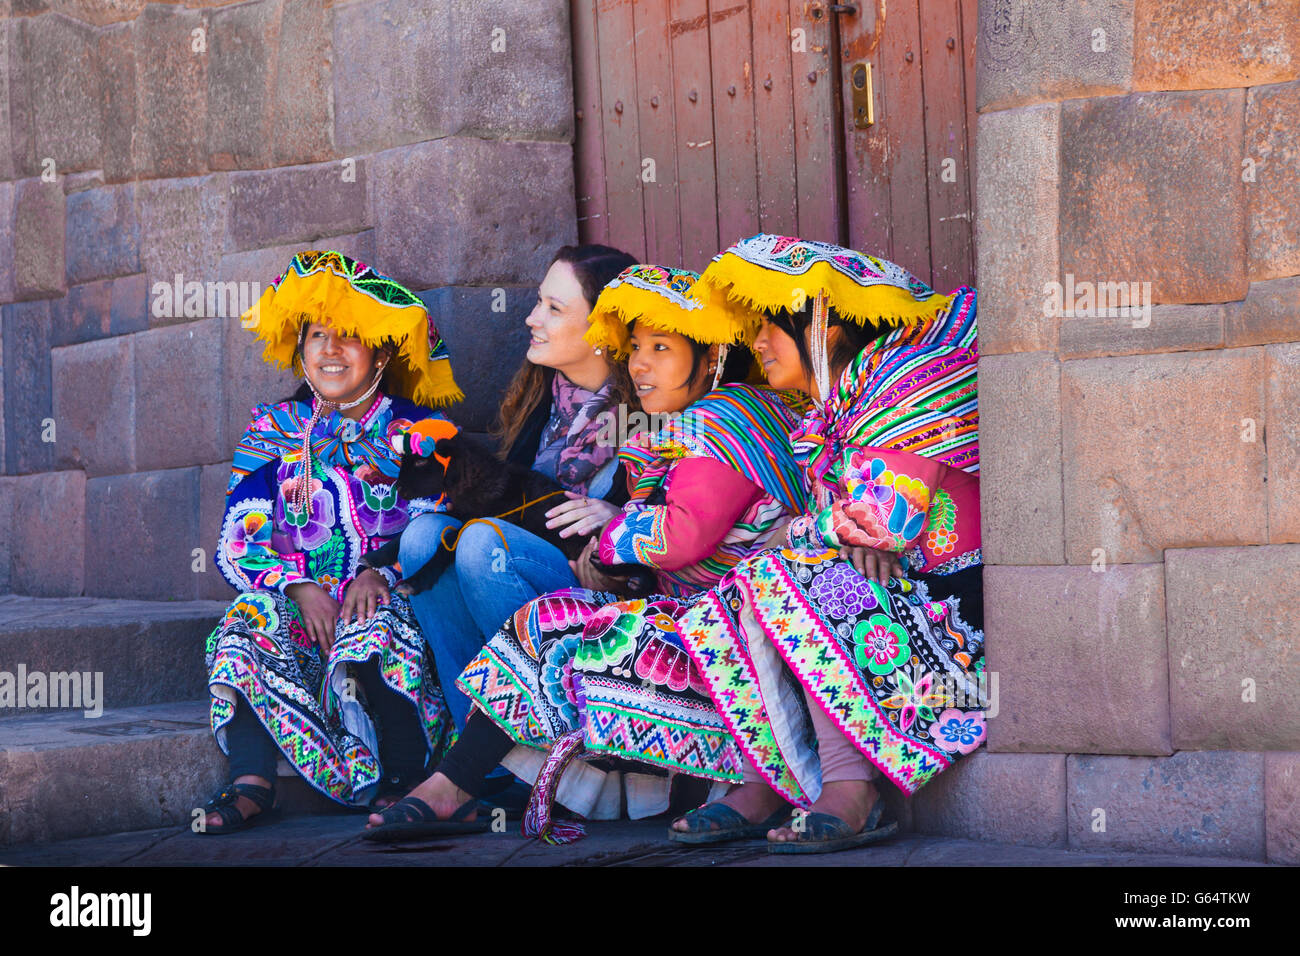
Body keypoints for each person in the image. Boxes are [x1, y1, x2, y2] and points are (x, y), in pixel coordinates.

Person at [364, 263, 808, 842]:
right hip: (700, 620)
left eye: (662, 349)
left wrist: (612, 533)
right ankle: (465, 780)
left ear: (712, 356)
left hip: (725, 638)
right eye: (637, 349)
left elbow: (681, 540)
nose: (641, 364)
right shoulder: (682, 419)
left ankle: (460, 782)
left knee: (552, 619)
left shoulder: (722, 419)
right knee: (508, 592)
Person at [662, 234, 984, 853]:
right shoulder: (838, 407)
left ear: (822, 324)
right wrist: (830, 532)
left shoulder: (907, 381)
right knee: (741, 592)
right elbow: (850, 528)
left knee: (790, 573)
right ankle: (768, 780)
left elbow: (882, 523)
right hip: (896, 594)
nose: (756, 344)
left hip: (950, 613)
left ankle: (848, 787)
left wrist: (820, 532)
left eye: (768, 327)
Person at [199, 250, 463, 832]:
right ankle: (251, 781)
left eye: (349, 337)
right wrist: (295, 586)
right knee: (245, 619)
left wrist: (379, 573)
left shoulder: (414, 432)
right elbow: (239, 536)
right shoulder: (274, 429)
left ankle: (402, 778)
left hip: (384, 595)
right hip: (304, 606)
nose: (331, 350)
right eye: (318, 335)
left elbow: (439, 521)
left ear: (382, 351)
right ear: (301, 348)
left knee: (380, 624)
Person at [399, 245, 639, 741]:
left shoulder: (647, 407)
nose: (532, 318)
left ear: (601, 330)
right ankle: (480, 750)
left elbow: (679, 514)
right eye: (537, 302)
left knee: (483, 543)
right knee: (424, 537)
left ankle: (545, 739)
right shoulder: (538, 401)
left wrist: (621, 516)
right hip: (520, 571)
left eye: (554, 308)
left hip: (599, 590)